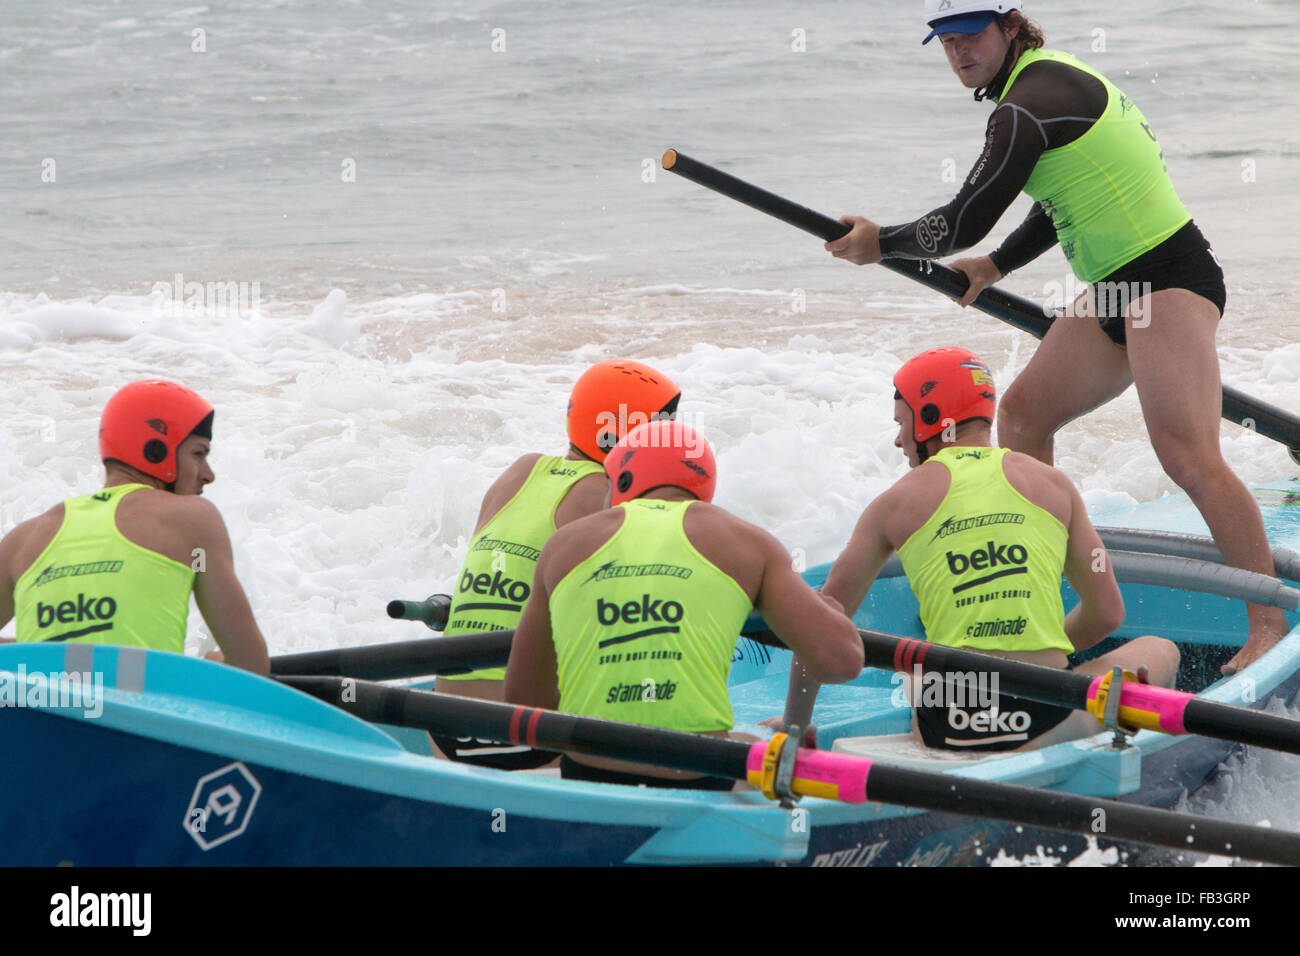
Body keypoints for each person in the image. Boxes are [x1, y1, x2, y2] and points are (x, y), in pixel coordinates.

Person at [824, 3, 1286, 674]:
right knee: (1023, 415)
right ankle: (1040, 600)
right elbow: (1057, 197)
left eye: (971, 37)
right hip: (1114, 290)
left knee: (1188, 455)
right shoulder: (1044, 85)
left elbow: (962, 220)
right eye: (946, 42)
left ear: (1010, 27)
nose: (958, 53)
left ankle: (1266, 622)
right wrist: (998, 267)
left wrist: (880, 243)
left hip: (1167, 277)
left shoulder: (1026, 105)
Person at [781, 348, 1179, 752]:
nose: (899, 439)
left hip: (949, 725)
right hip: (1046, 718)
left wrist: (793, 726)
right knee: (1161, 649)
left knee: (916, 668)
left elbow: (821, 624)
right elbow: (1108, 613)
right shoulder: (1053, 485)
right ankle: (1124, 753)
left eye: (903, 422)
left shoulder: (893, 503)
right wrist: (1042, 652)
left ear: (932, 416)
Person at [504, 420, 864, 788]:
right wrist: (828, 614)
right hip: (699, 775)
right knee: (751, 746)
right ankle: (763, 745)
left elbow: (524, 700)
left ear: (624, 482)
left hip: (589, 772)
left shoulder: (563, 545)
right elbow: (842, 662)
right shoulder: (745, 542)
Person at [431, 359, 682, 768]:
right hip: (533, 740)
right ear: (620, 430)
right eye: (664, 427)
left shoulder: (519, 472)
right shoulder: (606, 495)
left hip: (443, 729)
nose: (673, 441)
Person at [0, 379, 270, 675]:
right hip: (138, 707)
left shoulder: (23, 540)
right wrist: (221, 667)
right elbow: (251, 665)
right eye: (198, 454)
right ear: (156, 450)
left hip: (43, 708)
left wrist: (36, 647)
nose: (208, 475)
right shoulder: (195, 521)